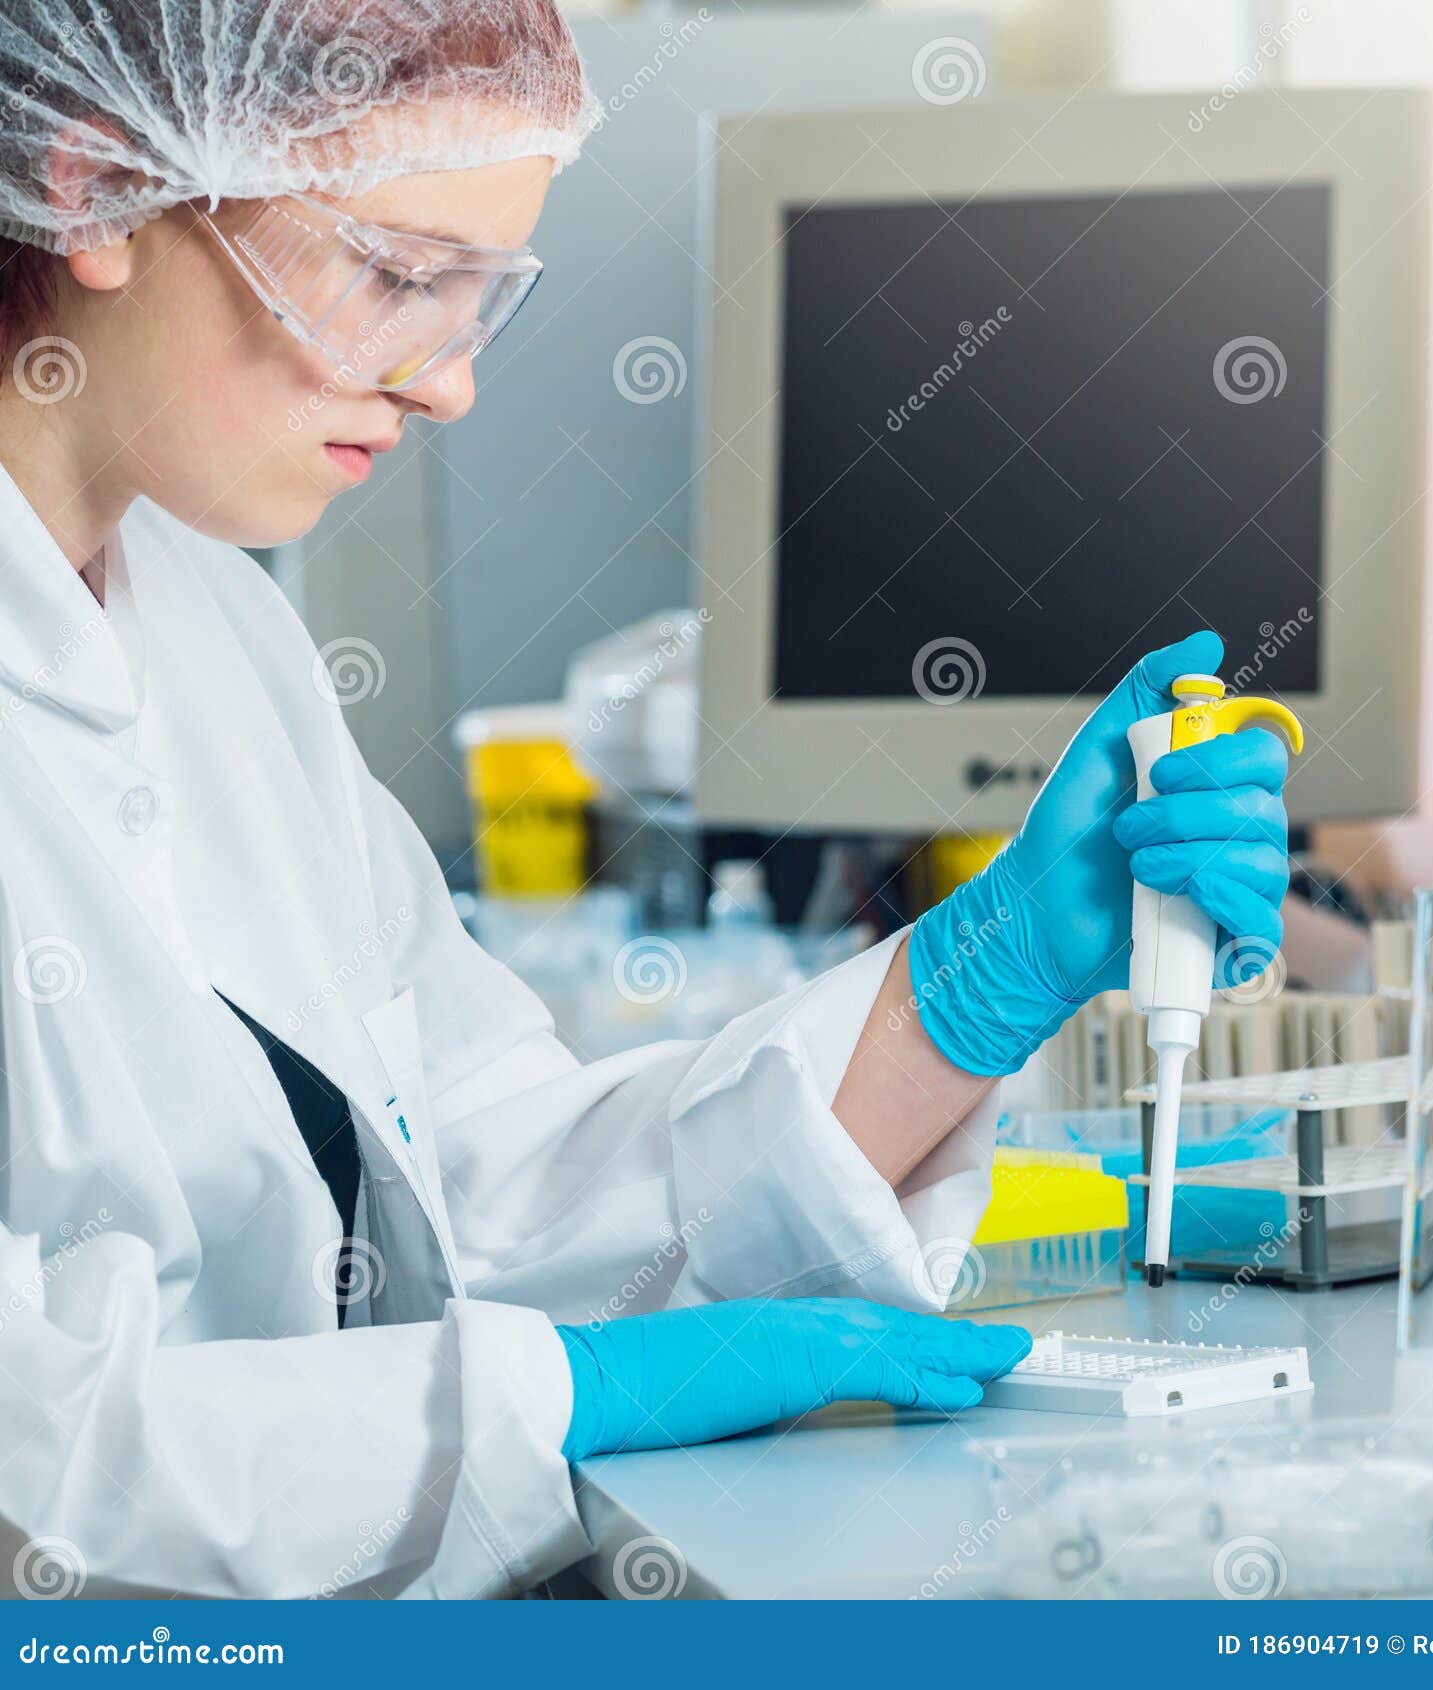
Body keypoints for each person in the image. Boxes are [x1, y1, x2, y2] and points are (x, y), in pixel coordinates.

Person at [0, 0, 1292, 1598]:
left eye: (481, 296)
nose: (452, 388)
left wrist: (978, 981)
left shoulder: (215, 627)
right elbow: (39, 1476)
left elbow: (487, 1181)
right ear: (96, 191)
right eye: (397, 276)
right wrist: (567, 1396)